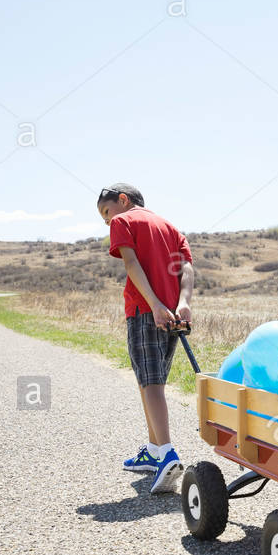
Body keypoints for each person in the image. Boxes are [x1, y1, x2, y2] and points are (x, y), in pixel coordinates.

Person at [96, 182, 192, 494]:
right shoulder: (170, 226)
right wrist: (183, 303)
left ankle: (166, 454)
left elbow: (131, 263)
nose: (108, 221)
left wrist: (154, 305)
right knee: (150, 380)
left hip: (145, 311)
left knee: (150, 383)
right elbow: (186, 268)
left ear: (122, 201)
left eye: (107, 213)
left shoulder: (124, 222)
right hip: (172, 315)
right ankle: (153, 450)